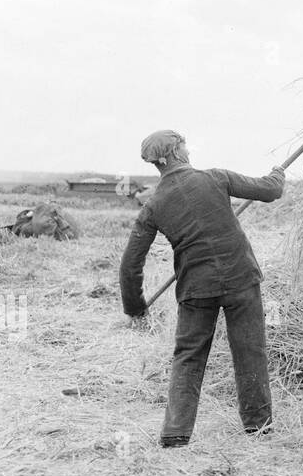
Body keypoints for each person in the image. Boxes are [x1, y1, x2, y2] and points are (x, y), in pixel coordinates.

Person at [118, 129, 285, 448]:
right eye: (185, 146)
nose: (189, 150)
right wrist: (277, 172)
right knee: (250, 351)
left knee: (188, 357)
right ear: (177, 153)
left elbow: (129, 265)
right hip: (240, 279)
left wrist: (135, 306)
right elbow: (270, 190)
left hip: (196, 289)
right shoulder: (215, 178)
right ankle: (258, 427)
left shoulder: (153, 206)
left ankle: (176, 433)